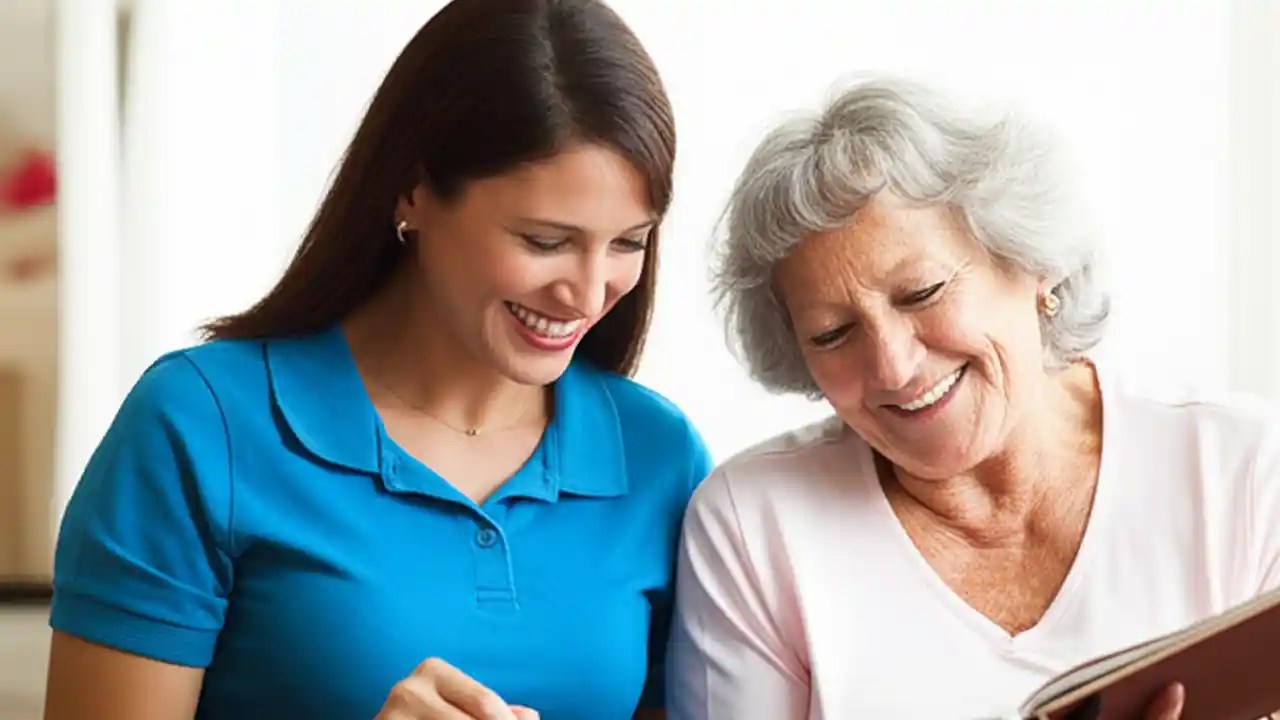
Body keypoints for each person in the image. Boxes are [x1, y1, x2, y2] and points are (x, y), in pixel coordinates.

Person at [43, 1, 712, 718]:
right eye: (545, 241)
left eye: (628, 243)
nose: (587, 292)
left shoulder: (658, 459)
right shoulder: (201, 428)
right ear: (414, 189)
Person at [666, 77, 1280, 719]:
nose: (894, 367)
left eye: (923, 292)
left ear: (1034, 264)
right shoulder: (756, 525)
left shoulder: (1244, 475)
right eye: (833, 334)